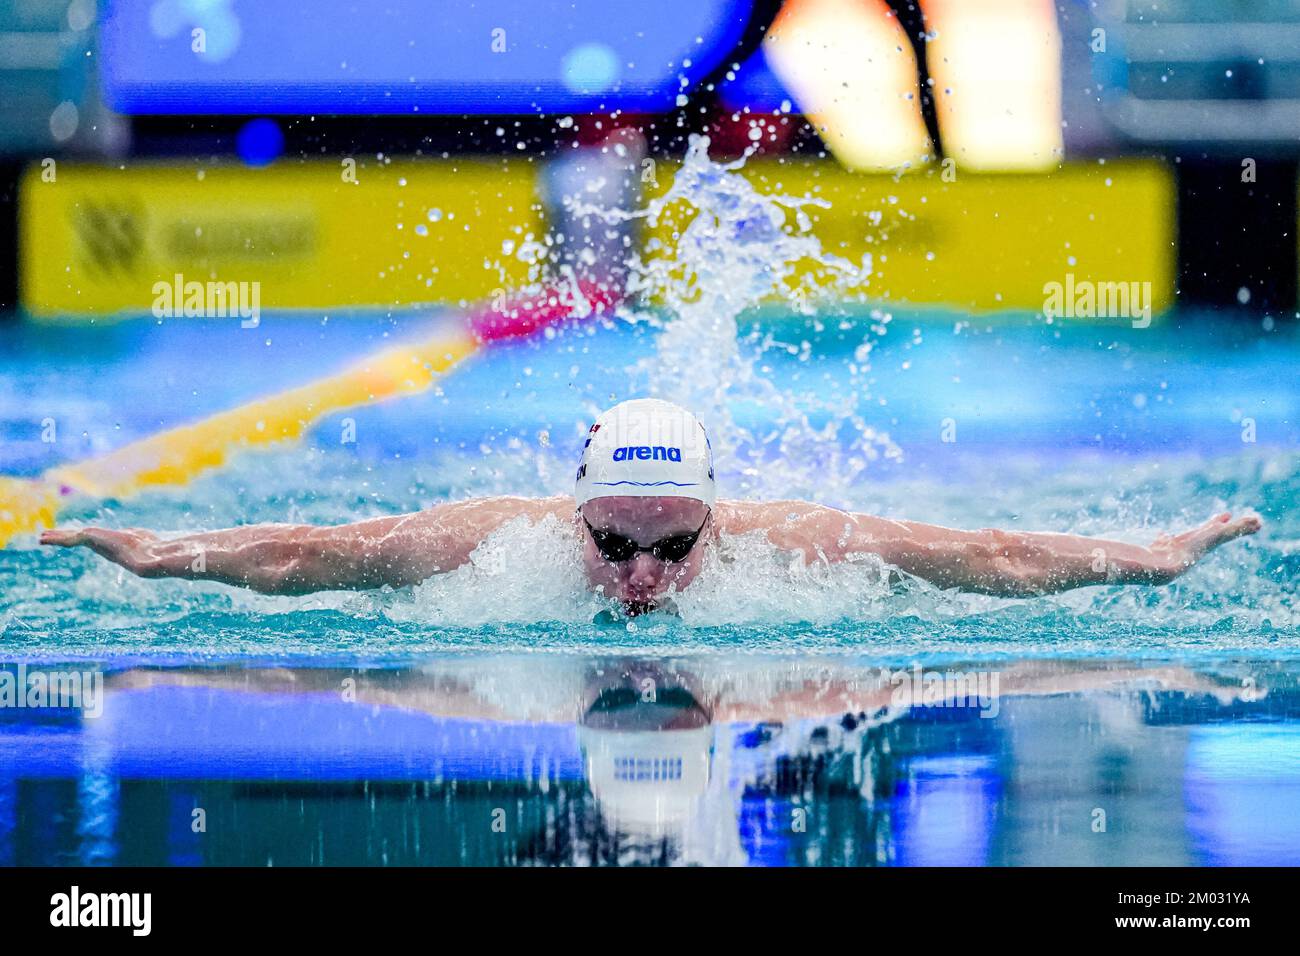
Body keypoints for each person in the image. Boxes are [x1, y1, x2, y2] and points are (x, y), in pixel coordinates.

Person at [40, 398, 1261, 616]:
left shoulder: (790, 547)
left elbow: (985, 552)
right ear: (568, 514)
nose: (638, 577)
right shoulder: (493, 539)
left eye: (674, 544)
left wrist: (1139, 558)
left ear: (718, 521)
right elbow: (311, 552)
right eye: (611, 542)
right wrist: (161, 553)